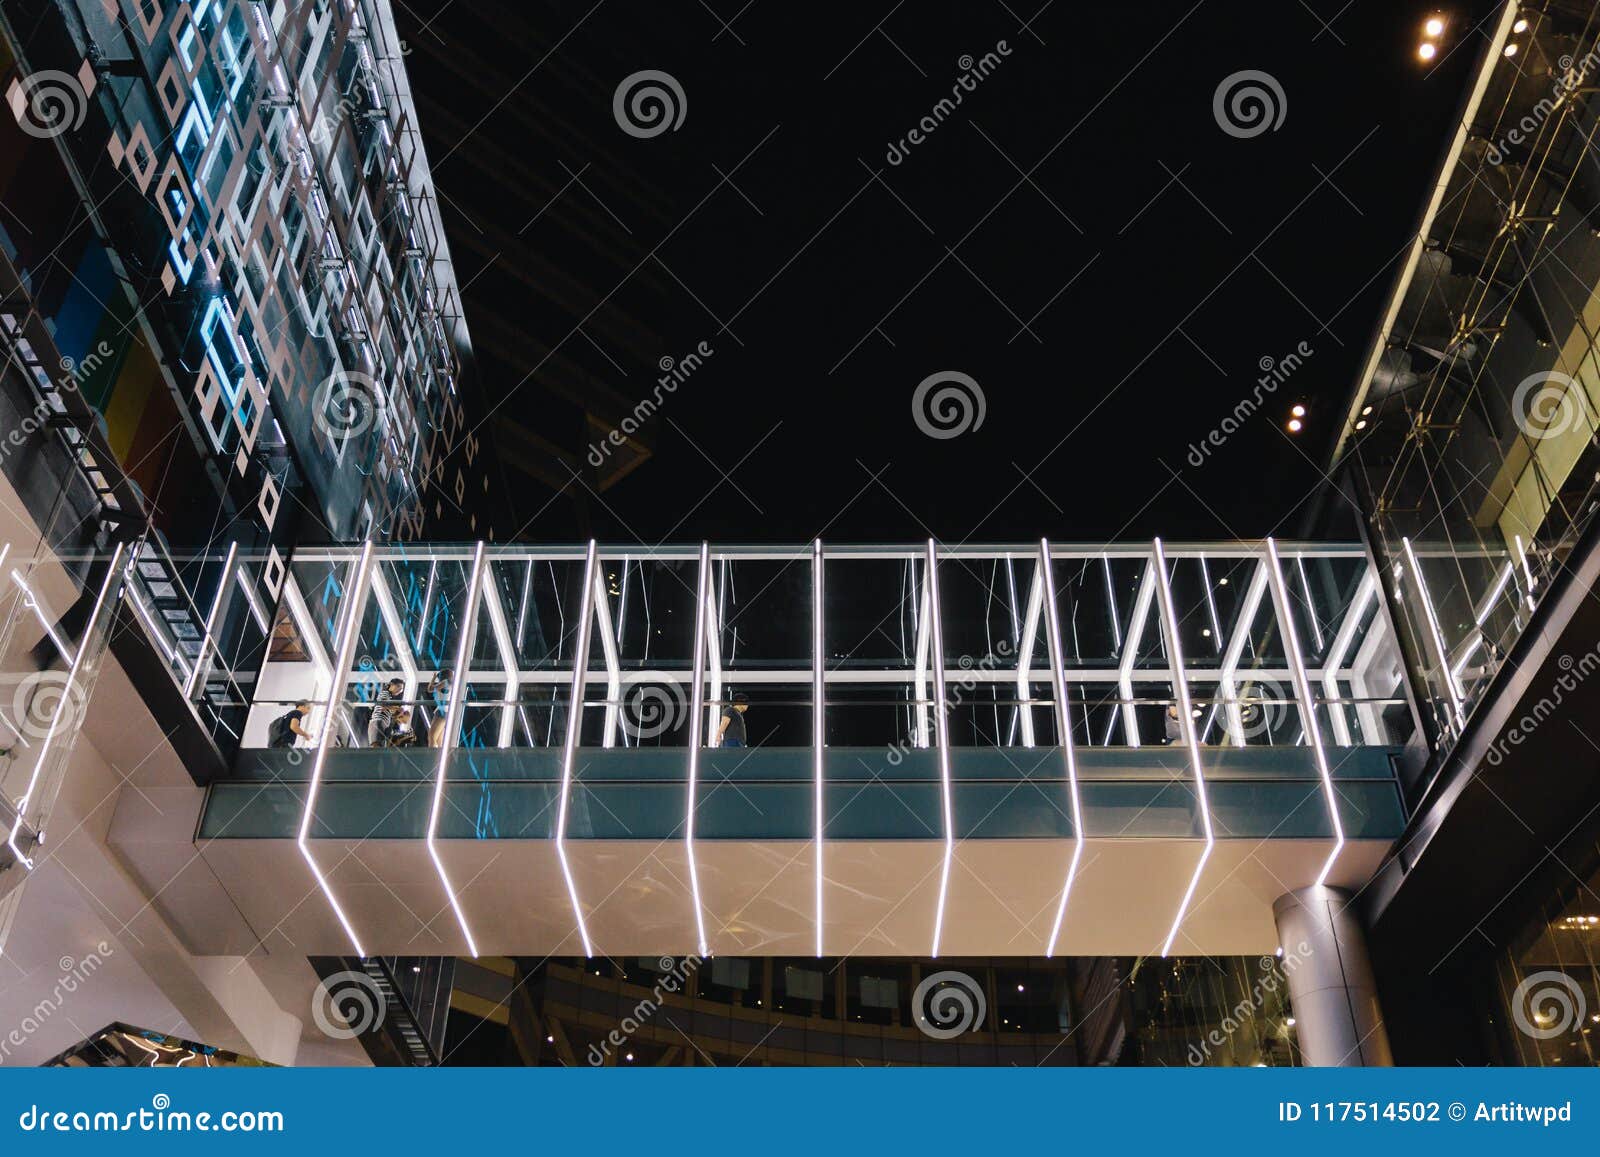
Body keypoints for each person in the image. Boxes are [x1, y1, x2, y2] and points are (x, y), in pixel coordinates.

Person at [426, 668, 452, 746]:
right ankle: (438, 756)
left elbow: (430, 689)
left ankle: (432, 756)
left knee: (432, 737)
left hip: (441, 711)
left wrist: (433, 678)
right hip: (445, 711)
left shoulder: (445, 682)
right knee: (438, 740)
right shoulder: (450, 684)